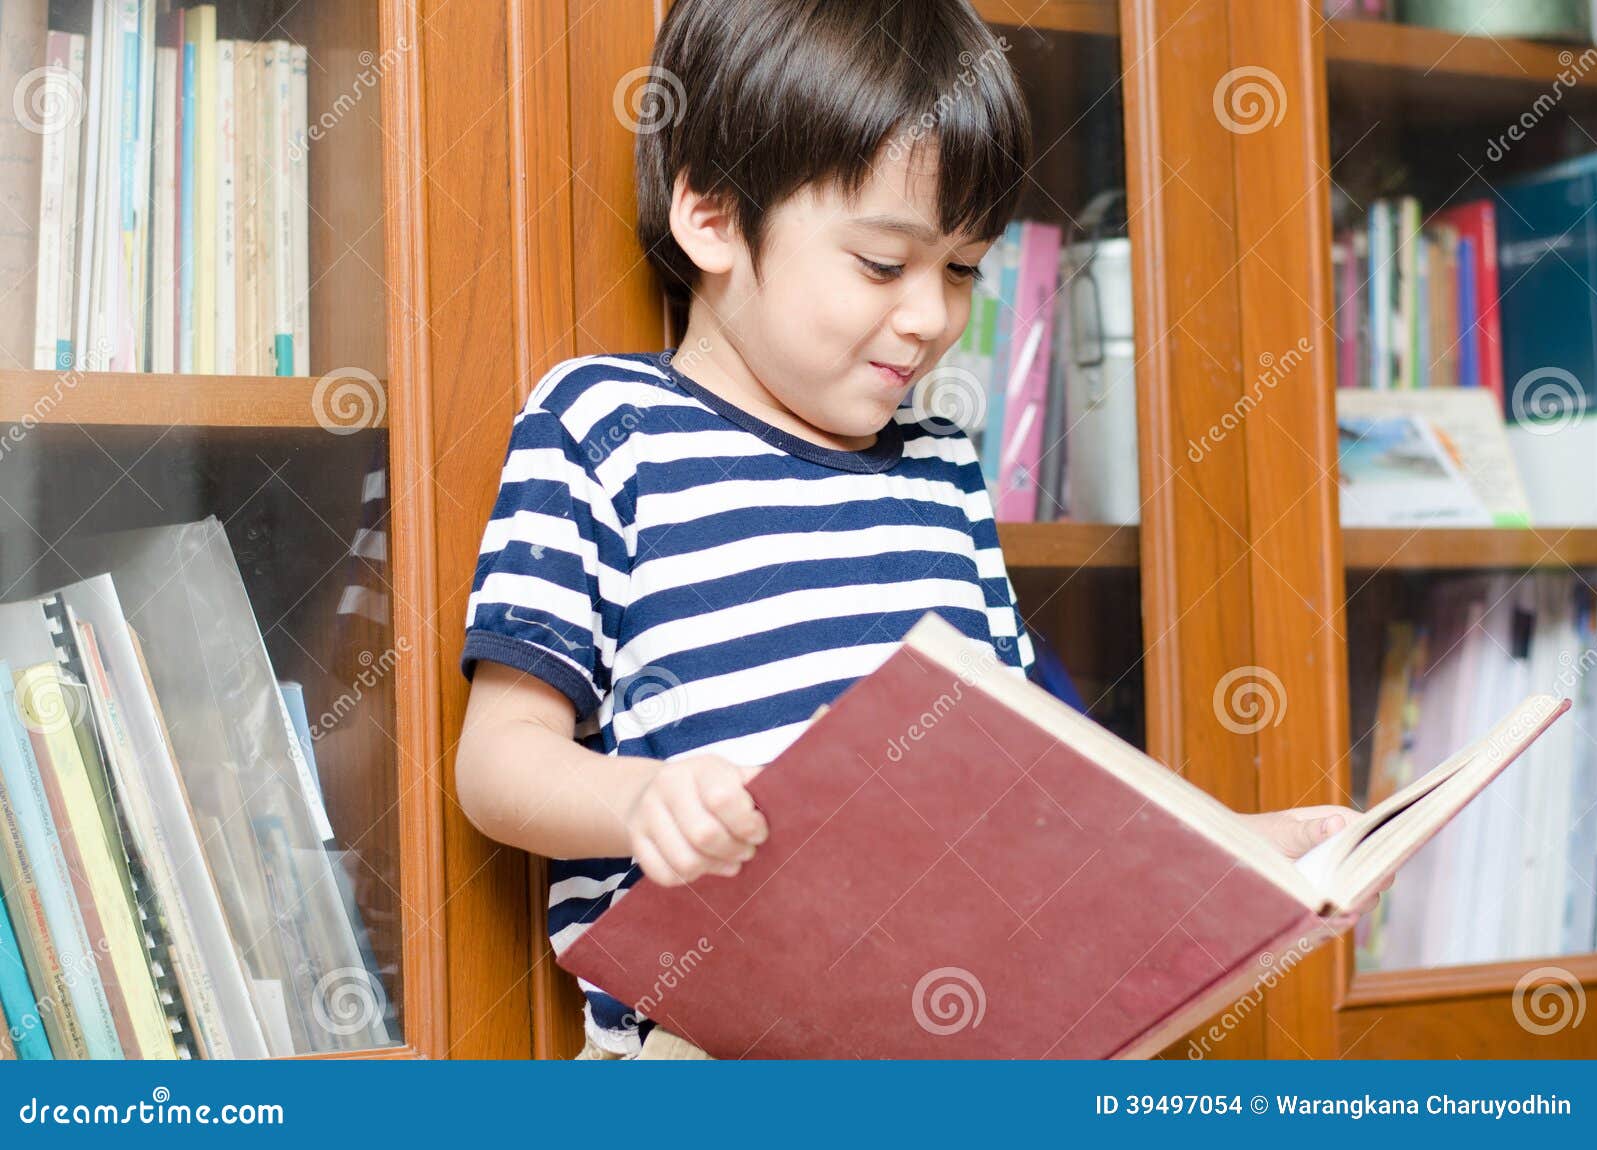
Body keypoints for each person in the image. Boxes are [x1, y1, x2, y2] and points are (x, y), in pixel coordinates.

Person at [454, 0, 1368, 1061]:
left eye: (964, 268)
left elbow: (1038, 773)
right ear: (709, 215)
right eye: (884, 266)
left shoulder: (938, 465)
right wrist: (643, 799)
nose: (932, 317)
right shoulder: (604, 426)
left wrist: (1220, 855)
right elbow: (497, 763)